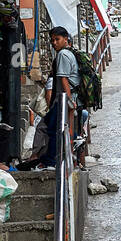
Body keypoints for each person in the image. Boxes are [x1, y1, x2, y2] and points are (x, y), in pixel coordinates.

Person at [43, 27, 79, 167]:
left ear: (66, 39)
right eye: (52, 40)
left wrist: (68, 101)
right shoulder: (69, 53)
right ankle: (63, 158)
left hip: (64, 99)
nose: (54, 43)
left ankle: (52, 162)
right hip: (67, 99)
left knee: (54, 129)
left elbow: (63, 79)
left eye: (57, 39)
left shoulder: (63, 54)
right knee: (58, 126)